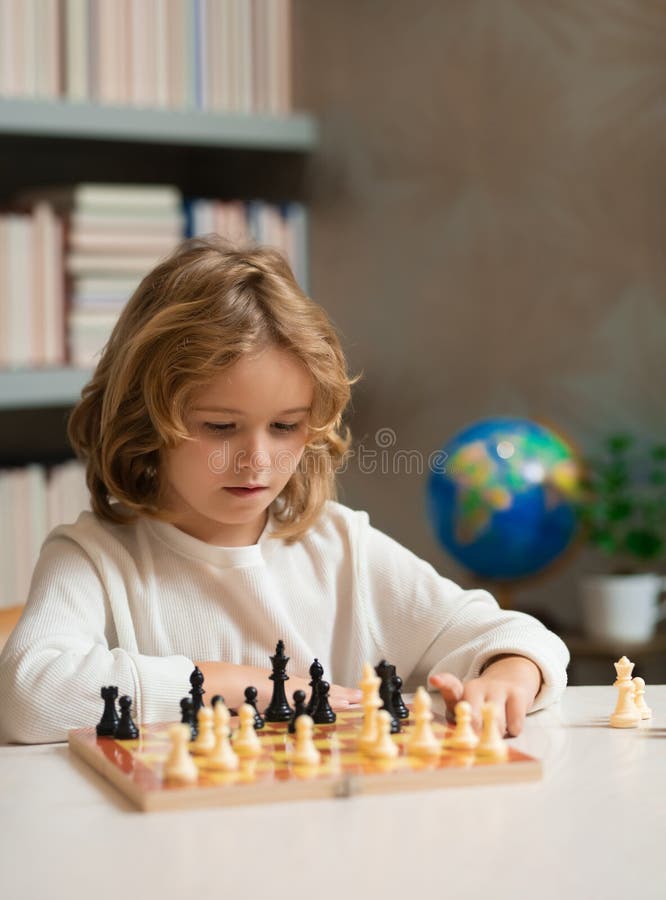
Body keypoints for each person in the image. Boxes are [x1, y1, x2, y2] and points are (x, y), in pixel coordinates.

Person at [0, 237, 569, 744]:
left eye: (285, 425)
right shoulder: (94, 559)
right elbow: (30, 697)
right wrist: (232, 684)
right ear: (144, 418)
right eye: (220, 426)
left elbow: (515, 635)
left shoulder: (341, 550)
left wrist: (508, 673)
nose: (257, 459)